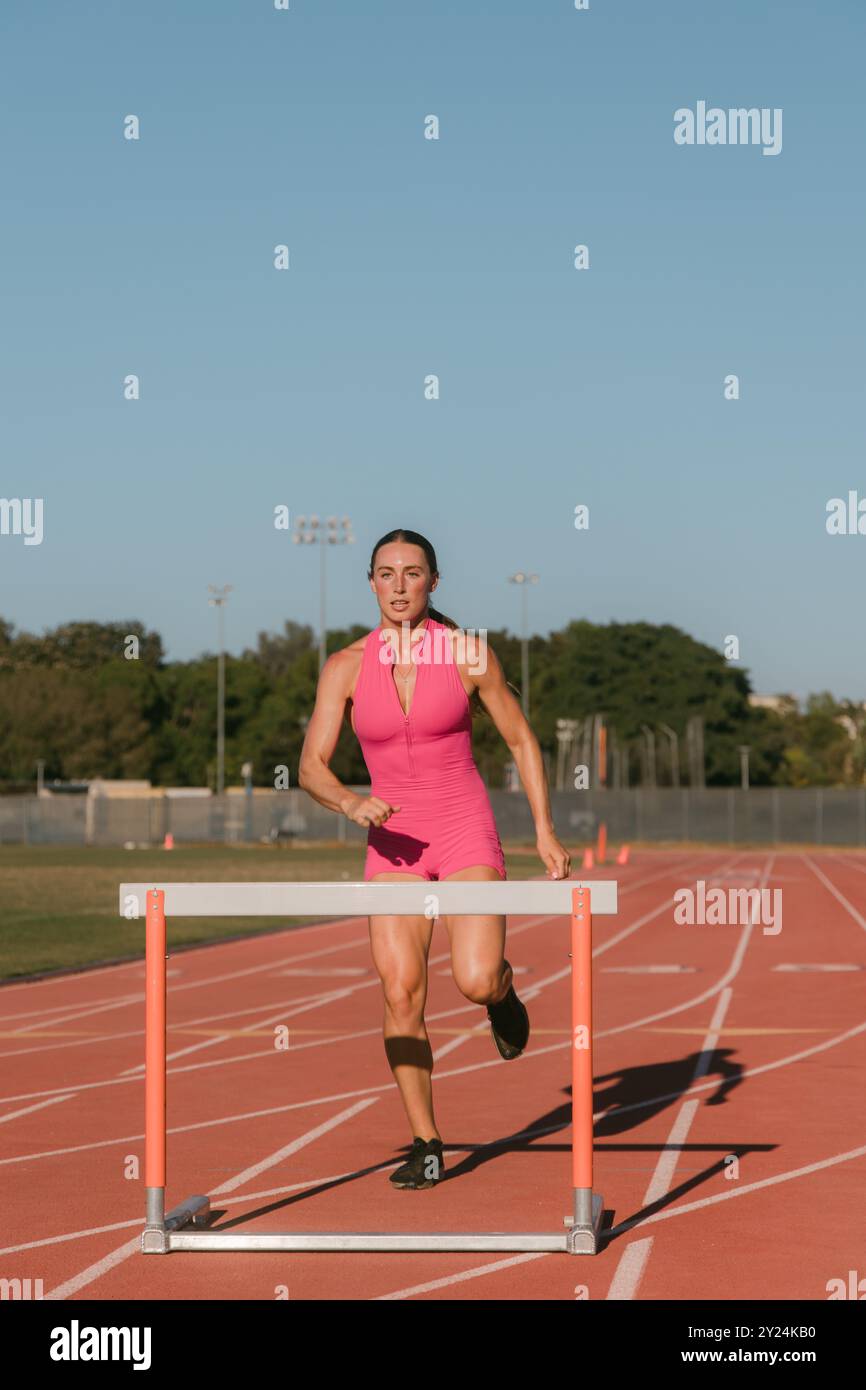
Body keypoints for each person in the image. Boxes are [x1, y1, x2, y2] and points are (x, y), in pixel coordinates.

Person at [298, 528, 570, 1189]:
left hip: (463, 827)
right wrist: (349, 802)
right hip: (392, 841)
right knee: (401, 992)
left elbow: (521, 741)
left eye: (412, 574)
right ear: (370, 584)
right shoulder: (344, 667)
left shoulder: (471, 657)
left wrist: (544, 830)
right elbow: (310, 767)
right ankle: (425, 1140)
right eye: (386, 574)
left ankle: (502, 996)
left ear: (433, 583)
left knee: (473, 978)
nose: (398, 586)